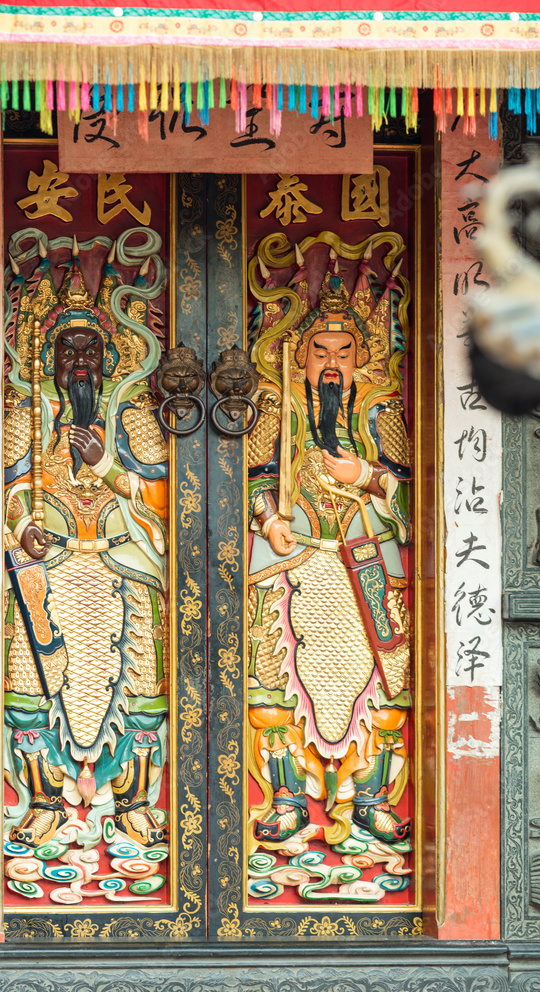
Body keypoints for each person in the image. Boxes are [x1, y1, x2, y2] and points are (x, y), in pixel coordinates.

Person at [3, 239, 169, 850]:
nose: (80, 360)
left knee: (143, 680)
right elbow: (5, 491)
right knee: (29, 675)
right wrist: (23, 529)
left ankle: (131, 800)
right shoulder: (30, 413)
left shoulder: (129, 416)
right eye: (68, 348)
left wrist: (106, 470)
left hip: (120, 566)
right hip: (48, 571)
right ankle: (44, 797)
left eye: (90, 348)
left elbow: (169, 499)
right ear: (49, 357)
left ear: (110, 357)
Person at [247, 244, 412, 848]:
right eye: (320, 353)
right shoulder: (279, 406)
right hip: (293, 560)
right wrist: (267, 520)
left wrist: (366, 478)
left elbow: (415, 493)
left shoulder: (379, 410)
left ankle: (369, 796)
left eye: (344, 352)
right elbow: (255, 478)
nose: (332, 365)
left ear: (360, 356)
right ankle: (287, 795)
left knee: (386, 676)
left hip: (363, 559)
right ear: (302, 357)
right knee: (270, 674)